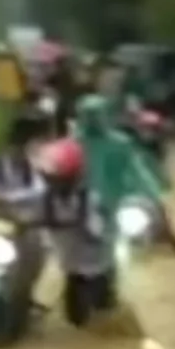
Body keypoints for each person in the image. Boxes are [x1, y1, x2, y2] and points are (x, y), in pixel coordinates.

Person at [73, 94, 175, 255]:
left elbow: (137, 170)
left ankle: (171, 239)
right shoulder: (77, 142)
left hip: (109, 197)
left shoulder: (117, 142)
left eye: (96, 115)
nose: (94, 120)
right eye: (91, 116)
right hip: (92, 198)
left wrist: (153, 191)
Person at [36, 136, 119, 326]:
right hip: (71, 267)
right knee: (76, 320)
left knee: (105, 315)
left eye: (58, 178)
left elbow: (100, 229)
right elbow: (24, 210)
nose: (53, 182)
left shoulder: (90, 199)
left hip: (98, 266)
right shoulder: (45, 198)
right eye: (49, 178)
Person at [0, 111, 49, 308]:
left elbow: (42, 189)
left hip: (26, 222)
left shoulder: (36, 164)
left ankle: (25, 293)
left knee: (39, 252)